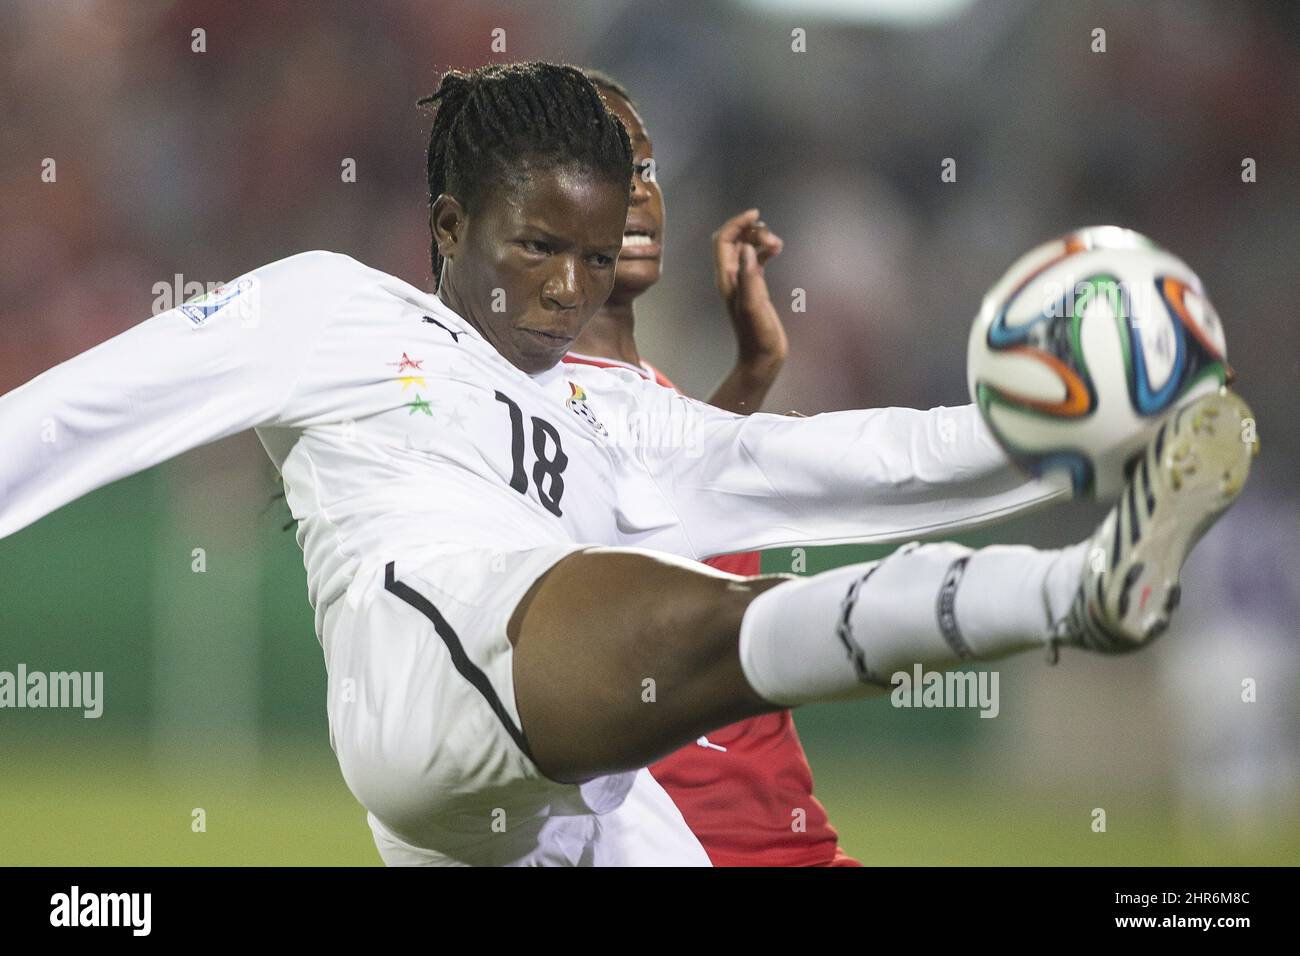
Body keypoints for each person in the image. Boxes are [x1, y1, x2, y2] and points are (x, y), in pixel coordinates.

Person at [0, 61, 1255, 866]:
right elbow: (69, 416)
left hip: (580, 812)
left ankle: (1085, 569)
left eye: (593, 260)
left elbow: (867, 459)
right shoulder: (333, 308)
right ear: (449, 226)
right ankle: (1078, 595)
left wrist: (1087, 428)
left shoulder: (618, 413)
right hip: (433, 680)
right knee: (714, 622)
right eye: (538, 246)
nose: (565, 287)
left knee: (696, 634)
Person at [565, 70, 857, 866]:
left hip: (791, 842)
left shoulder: (650, 398)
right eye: (603, 172)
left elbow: (673, 521)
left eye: (648, 171)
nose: (637, 197)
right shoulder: (529, 404)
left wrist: (751, 375)